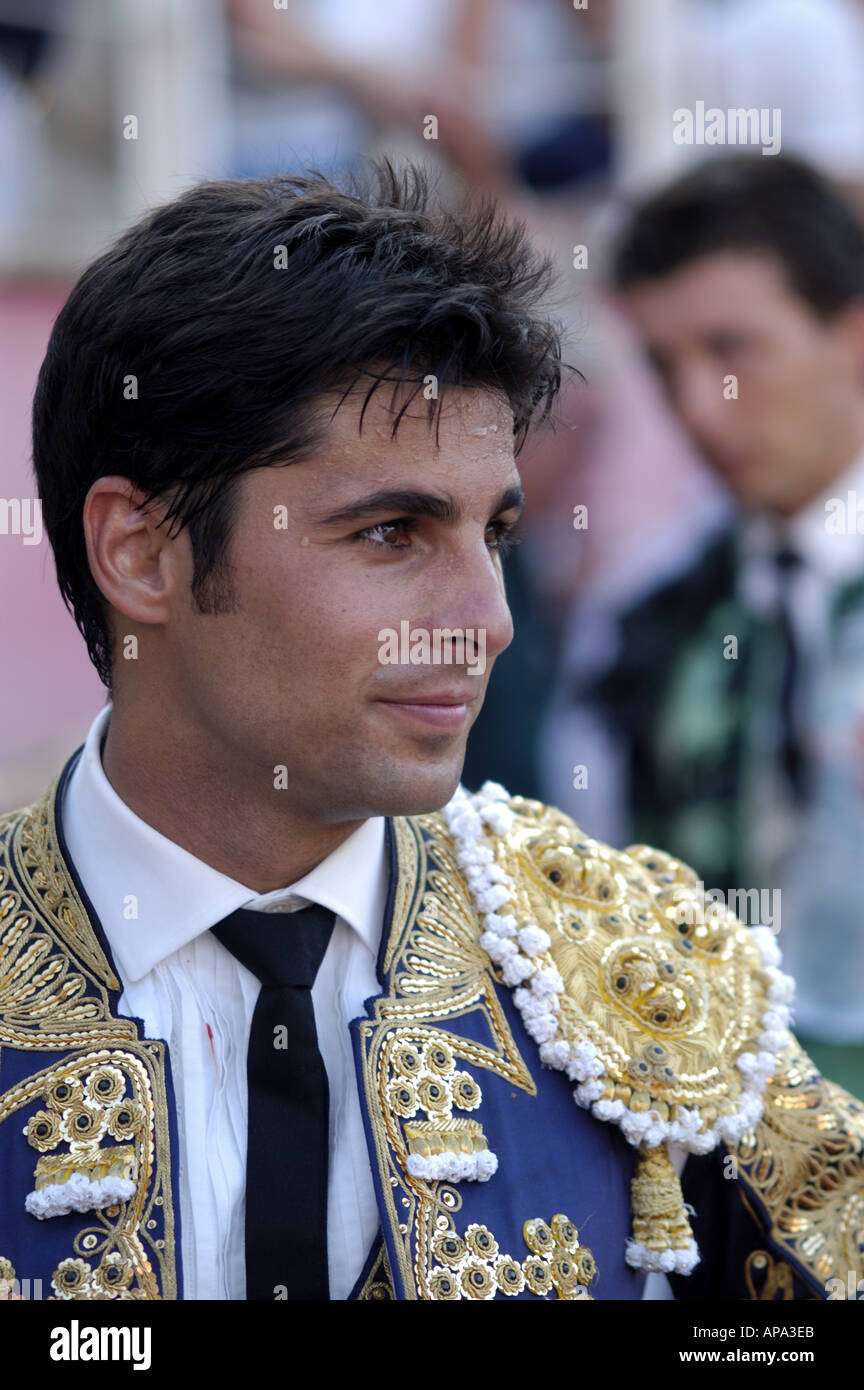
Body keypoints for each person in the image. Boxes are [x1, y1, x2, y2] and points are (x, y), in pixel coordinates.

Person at [1, 161, 861, 1303]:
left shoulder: (648, 974)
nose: (487, 623)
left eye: (494, 531)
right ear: (140, 551)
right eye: (391, 533)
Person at [571, 155, 864, 1092]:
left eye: (733, 350)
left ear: (853, 337)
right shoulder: (642, 612)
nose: (699, 409)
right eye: (665, 367)